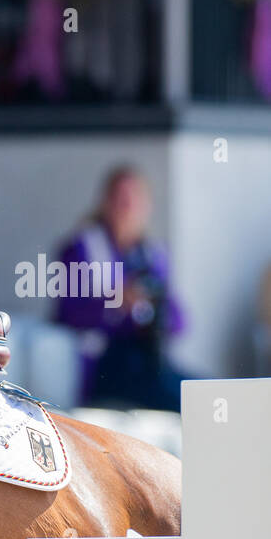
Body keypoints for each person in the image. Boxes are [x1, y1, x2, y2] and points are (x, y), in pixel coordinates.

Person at [52, 166, 194, 411]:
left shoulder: (151, 255)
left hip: (148, 360)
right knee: (187, 400)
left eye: (134, 200)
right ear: (105, 204)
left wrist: (151, 309)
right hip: (103, 367)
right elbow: (66, 314)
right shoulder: (80, 248)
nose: (127, 208)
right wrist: (115, 302)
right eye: (120, 199)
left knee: (202, 390)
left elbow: (179, 321)